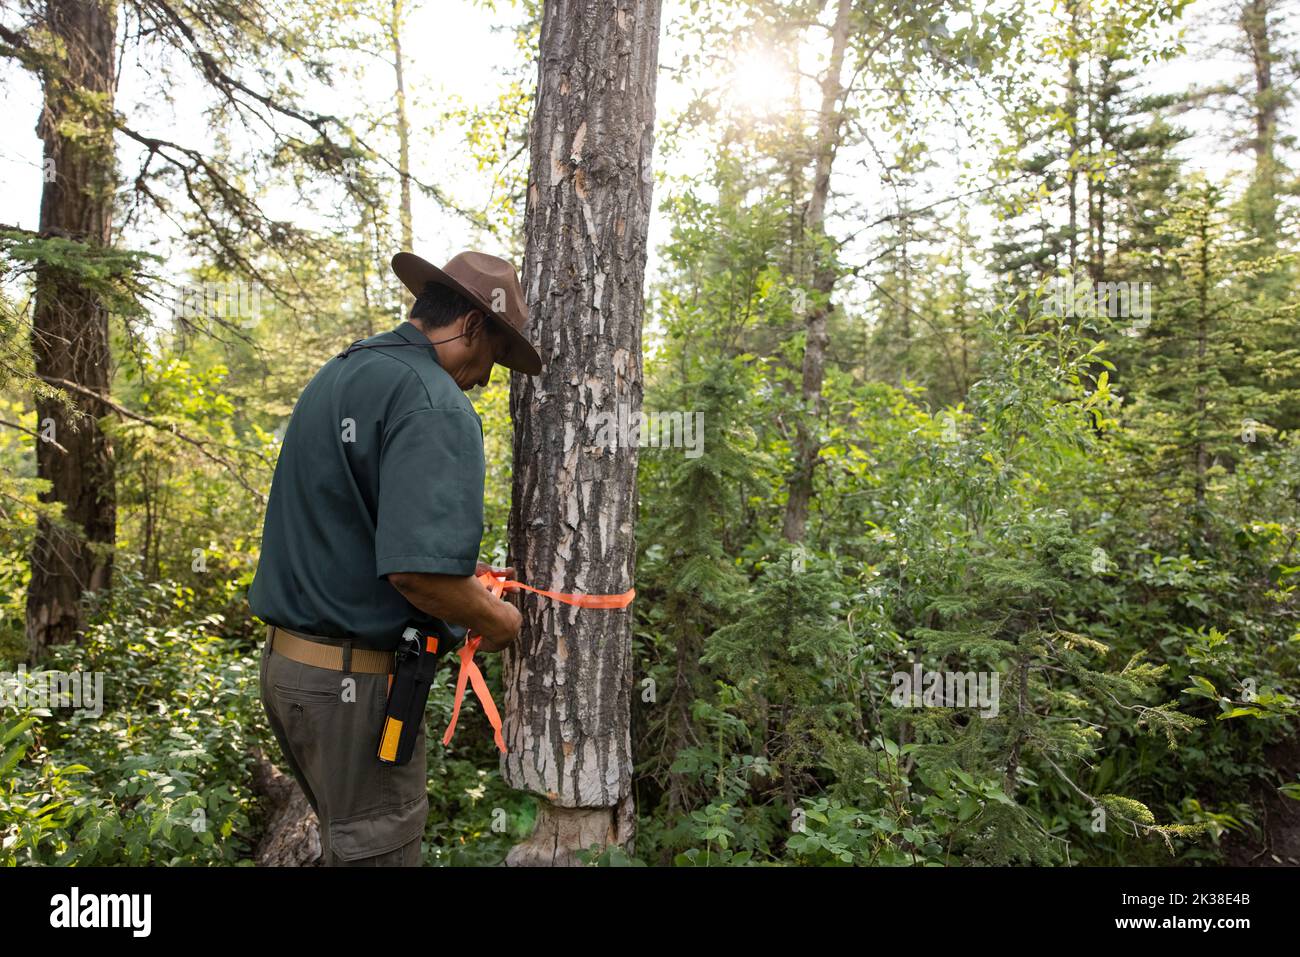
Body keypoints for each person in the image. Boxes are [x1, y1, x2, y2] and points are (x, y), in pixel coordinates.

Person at [248, 250, 542, 866]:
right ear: (471, 325)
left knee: (346, 846)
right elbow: (417, 573)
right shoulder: (433, 401)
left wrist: (467, 586)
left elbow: (357, 529)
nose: (488, 377)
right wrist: (499, 621)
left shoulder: (343, 371)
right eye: (493, 355)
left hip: (290, 674)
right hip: (353, 690)